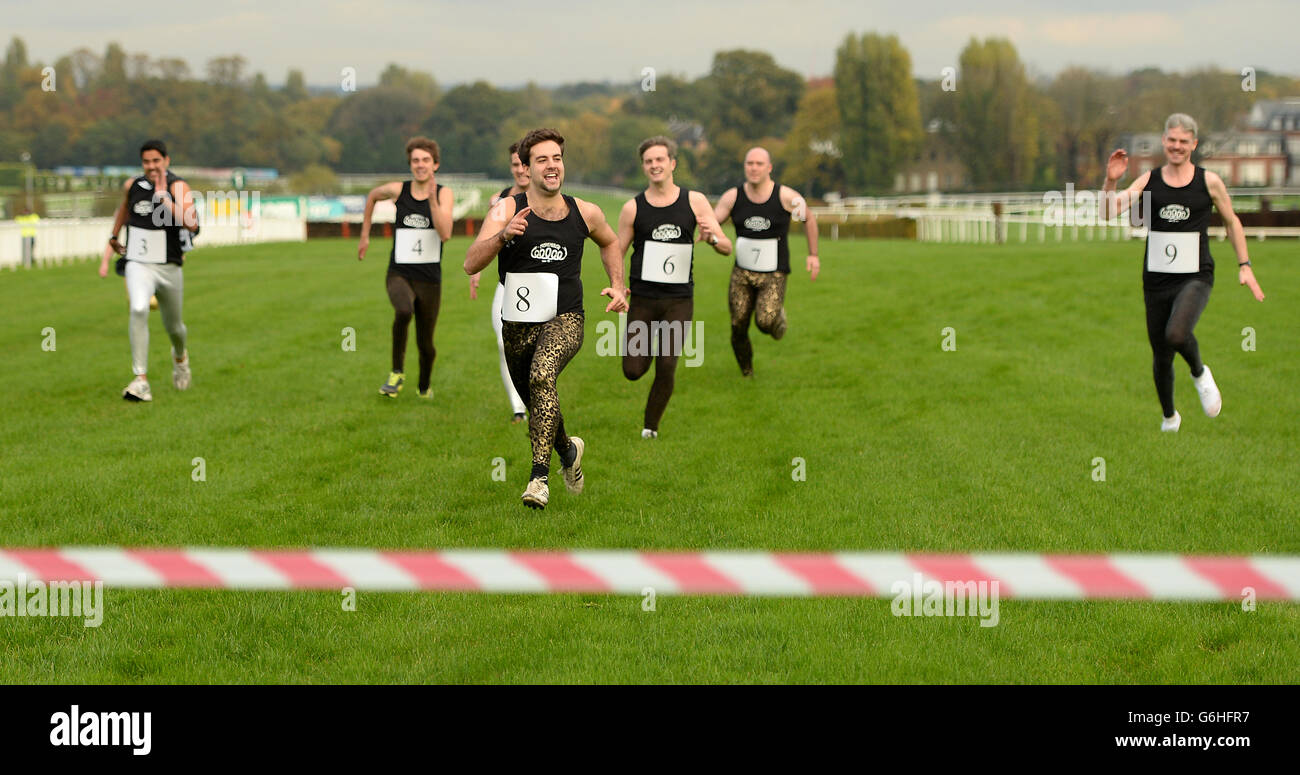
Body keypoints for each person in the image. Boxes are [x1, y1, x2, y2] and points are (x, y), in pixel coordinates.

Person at [464, 128, 629, 509]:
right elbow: (471, 261)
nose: (552, 166)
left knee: (542, 376)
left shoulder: (585, 212)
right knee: (537, 395)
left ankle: (539, 479)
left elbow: (610, 241)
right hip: (518, 322)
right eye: (542, 159)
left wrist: (618, 285)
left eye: (557, 158)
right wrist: (503, 236)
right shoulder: (506, 209)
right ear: (526, 167)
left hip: (565, 317)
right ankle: (568, 452)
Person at [1102, 113, 1265, 431]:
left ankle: (1200, 374)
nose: (1176, 147)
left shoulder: (1209, 182)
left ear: (1194, 144)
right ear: (1164, 141)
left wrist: (1244, 265)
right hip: (1156, 279)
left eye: (1183, 141)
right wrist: (1111, 181)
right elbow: (1109, 211)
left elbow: (1232, 222)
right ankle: (1169, 417)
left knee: (1176, 333)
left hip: (1195, 276)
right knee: (1161, 353)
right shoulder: (1149, 181)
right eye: (1171, 140)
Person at [616, 135, 731, 438]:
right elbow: (616, 251)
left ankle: (650, 428)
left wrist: (713, 237)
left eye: (660, 160)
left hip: (678, 299)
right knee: (633, 371)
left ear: (672, 164)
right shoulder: (632, 208)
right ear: (644, 167)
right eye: (649, 161)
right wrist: (616, 284)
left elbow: (727, 247)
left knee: (667, 364)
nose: (655, 165)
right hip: (642, 298)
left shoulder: (695, 201)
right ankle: (652, 344)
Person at [98, 140, 199, 402]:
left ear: (166, 160)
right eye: (146, 161)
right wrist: (114, 234)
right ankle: (140, 380)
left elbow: (192, 223)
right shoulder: (133, 186)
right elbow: (123, 209)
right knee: (139, 308)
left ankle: (180, 358)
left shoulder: (179, 186)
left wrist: (165, 199)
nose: (151, 166)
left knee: (174, 327)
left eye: (156, 161)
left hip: (169, 266)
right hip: (138, 262)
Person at [358, 137, 453, 399]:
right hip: (399, 271)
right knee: (403, 310)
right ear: (410, 164)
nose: (420, 165)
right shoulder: (399, 190)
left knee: (426, 344)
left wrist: (432, 202)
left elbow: (445, 234)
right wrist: (365, 234)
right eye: (415, 161)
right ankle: (396, 373)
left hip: (430, 278)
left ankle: (424, 387)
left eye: (425, 160)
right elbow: (373, 196)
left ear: (435, 164)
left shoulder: (444, 193)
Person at [713, 147, 819, 377]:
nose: (753, 168)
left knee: (764, 321)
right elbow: (714, 221)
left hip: (774, 273)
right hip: (742, 272)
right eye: (749, 163)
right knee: (738, 323)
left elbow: (808, 219)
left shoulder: (786, 197)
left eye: (759, 164)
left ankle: (778, 318)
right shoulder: (733, 196)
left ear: (769, 168)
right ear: (745, 166)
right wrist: (709, 234)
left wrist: (813, 254)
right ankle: (746, 372)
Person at [469, 143, 530, 422]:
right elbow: (485, 239)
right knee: (504, 344)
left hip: (545, 287)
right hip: (508, 285)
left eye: (524, 163)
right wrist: (477, 271)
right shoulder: (499, 200)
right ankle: (518, 407)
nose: (520, 170)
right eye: (514, 164)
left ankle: (539, 401)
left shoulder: (549, 200)